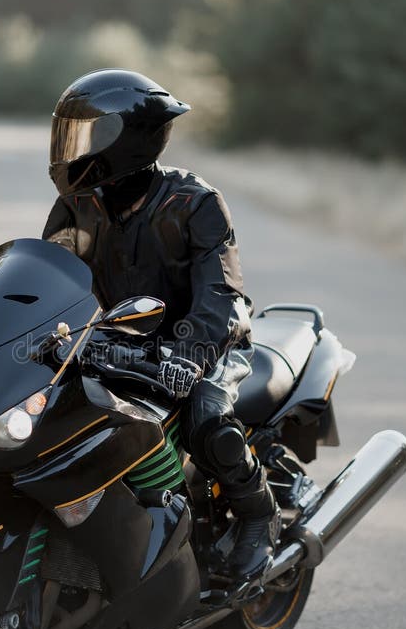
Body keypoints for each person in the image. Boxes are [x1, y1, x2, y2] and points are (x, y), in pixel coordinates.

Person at [42, 68, 280, 581]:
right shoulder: (75, 208)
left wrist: (188, 353)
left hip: (206, 347)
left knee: (205, 417)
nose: (71, 149)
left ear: (127, 139)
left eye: (87, 136)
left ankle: (259, 513)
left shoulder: (194, 203)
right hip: (114, 347)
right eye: (69, 134)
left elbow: (221, 293)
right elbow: (48, 277)